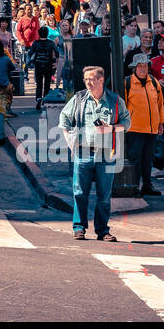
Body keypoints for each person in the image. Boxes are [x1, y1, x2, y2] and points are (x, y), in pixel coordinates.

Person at [59, 66, 130, 241]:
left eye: (91, 79)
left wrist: (111, 128)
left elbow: (127, 123)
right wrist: (70, 142)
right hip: (83, 152)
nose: (88, 83)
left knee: (104, 195)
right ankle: (79, 227)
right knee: (79, 192)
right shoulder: (79, 98)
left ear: (101, 79)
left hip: (107, 154)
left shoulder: (115, 100)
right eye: (85, 79)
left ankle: (102, 230)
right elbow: (64, 119)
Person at [123, 55, 164, 197]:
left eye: (145, 66)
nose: (142, 69)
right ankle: (134, 186)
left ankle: (147, 185)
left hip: (152, 128)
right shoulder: (127, 83)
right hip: (134, 128)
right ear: (134, 68)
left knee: (148, 159)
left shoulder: (153, 82)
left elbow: (159, 104)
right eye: (140, 66)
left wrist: (160, 123)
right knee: (135, 159)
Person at [28, 31, 58, 111]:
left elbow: (30, 52)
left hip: (38, 64)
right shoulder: (51, 43)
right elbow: (57, 52)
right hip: (48, 64)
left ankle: (38, 98)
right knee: (47, 83)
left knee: (39, 83)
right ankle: (45, 98)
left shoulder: (36, 43)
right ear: (47, 34)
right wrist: (55, 61)